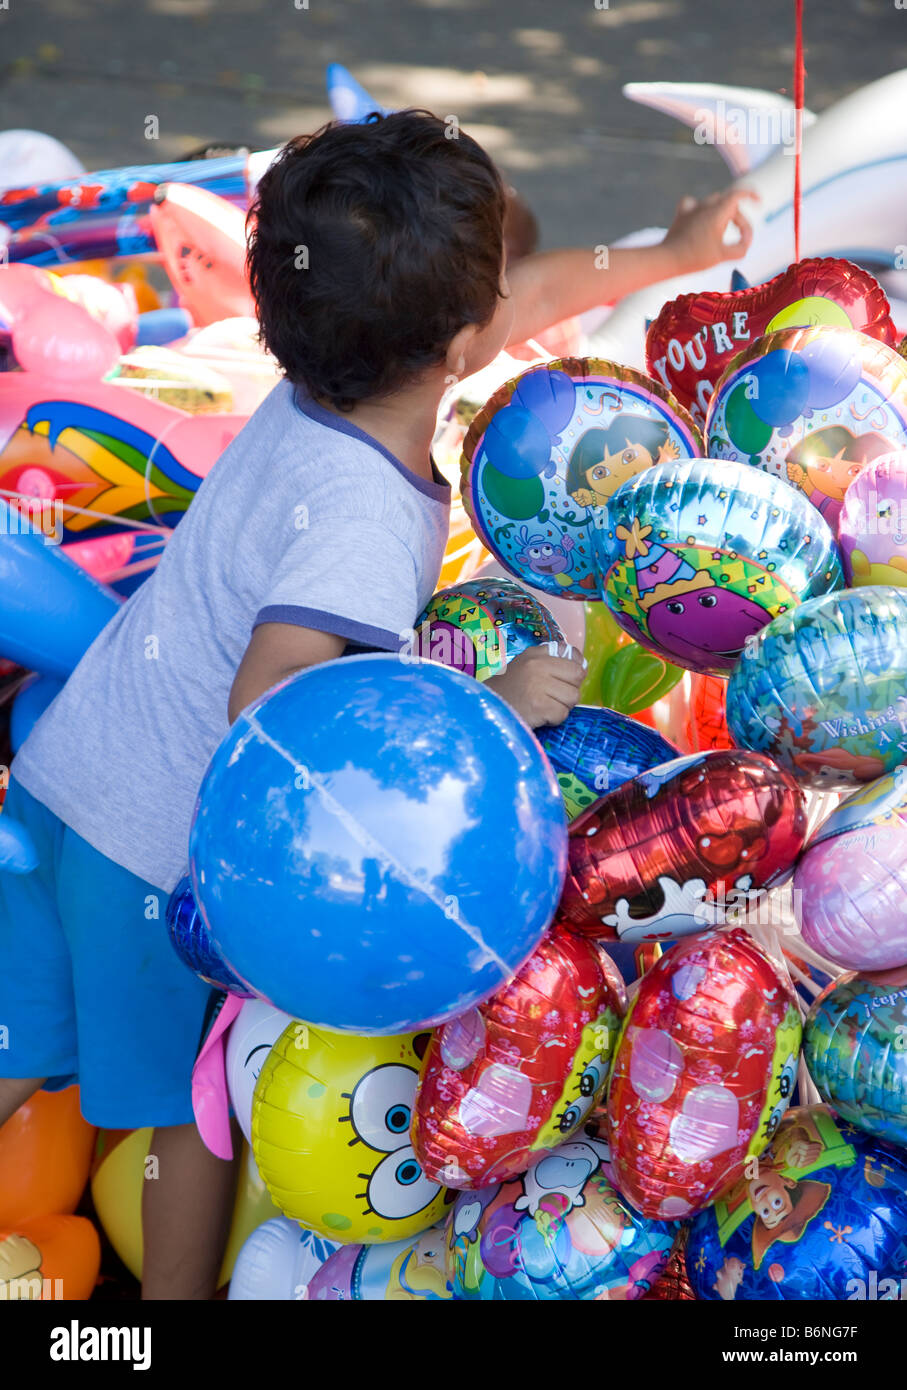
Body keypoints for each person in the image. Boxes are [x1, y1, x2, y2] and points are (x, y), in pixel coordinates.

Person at [0, 110, 754, 1299]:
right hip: (146, 851)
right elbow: (280, 696)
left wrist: (675, 249)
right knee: (187, 1112)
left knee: (17, 1044)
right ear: (463, 346)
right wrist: (478, 703)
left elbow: (516, 295)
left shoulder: (311, 386)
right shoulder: (358, 523)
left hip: (66, 777)